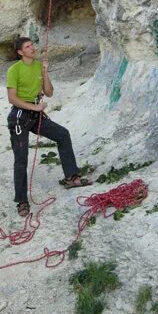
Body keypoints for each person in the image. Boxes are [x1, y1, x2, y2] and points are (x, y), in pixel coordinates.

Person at [6, 36, 92, 217]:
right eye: (28, 46)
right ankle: (21, 201)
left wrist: (45, 72)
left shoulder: (38, 66)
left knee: (62, 135)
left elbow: (49, 93)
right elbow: (12, 98)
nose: (32, 48)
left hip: (36, 115)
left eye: (32, 45)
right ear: (20, 52)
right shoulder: (14, 70)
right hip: (20, 116)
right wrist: (34, 107)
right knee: (21, 158)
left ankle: (71, 177)